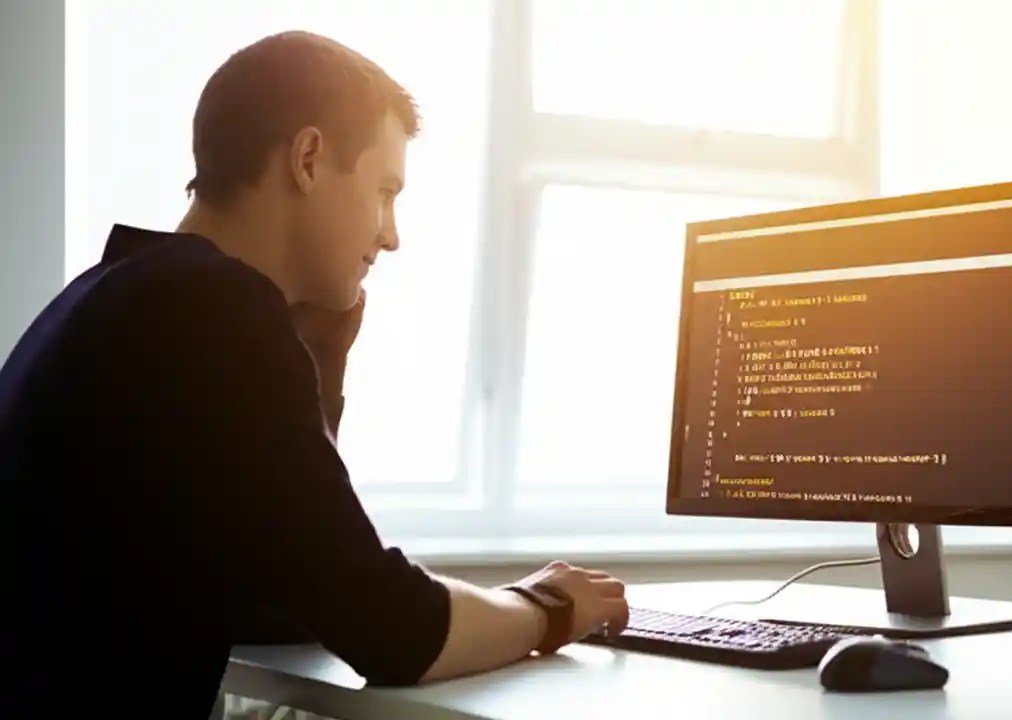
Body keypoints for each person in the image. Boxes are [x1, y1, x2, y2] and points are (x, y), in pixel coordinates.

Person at [0, 30, 629, 718]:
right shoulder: (216, 312)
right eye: (385, 191)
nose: (391, 235)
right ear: (308, 158)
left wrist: (321, 365)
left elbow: (283, 592)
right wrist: (545, 610)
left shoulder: (117, 293)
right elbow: (392, 631)